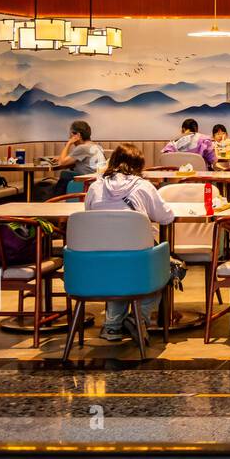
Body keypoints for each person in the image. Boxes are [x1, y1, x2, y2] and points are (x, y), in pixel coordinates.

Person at [84, 145, 175, 342]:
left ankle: (112, 326)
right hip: (138, 260)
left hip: (98, 261)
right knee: (165, 267)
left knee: (117, 269)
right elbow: (166, 217)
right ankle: (138, 319)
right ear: (139, 165)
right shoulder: (143, 186)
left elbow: (88, 217)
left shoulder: (95, 187)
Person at [32, 120, 106, 201]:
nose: (69, 138)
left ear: (77, 135)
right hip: (97, 180)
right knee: (66, 175)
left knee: (65, 174)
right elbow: (74, 161)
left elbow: (61, 163)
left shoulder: (82, 148)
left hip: (87, 181)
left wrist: (69, 143)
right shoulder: (96, 146)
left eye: (70, 135)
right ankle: (54, 199)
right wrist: (62, 158)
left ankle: (53, 200)